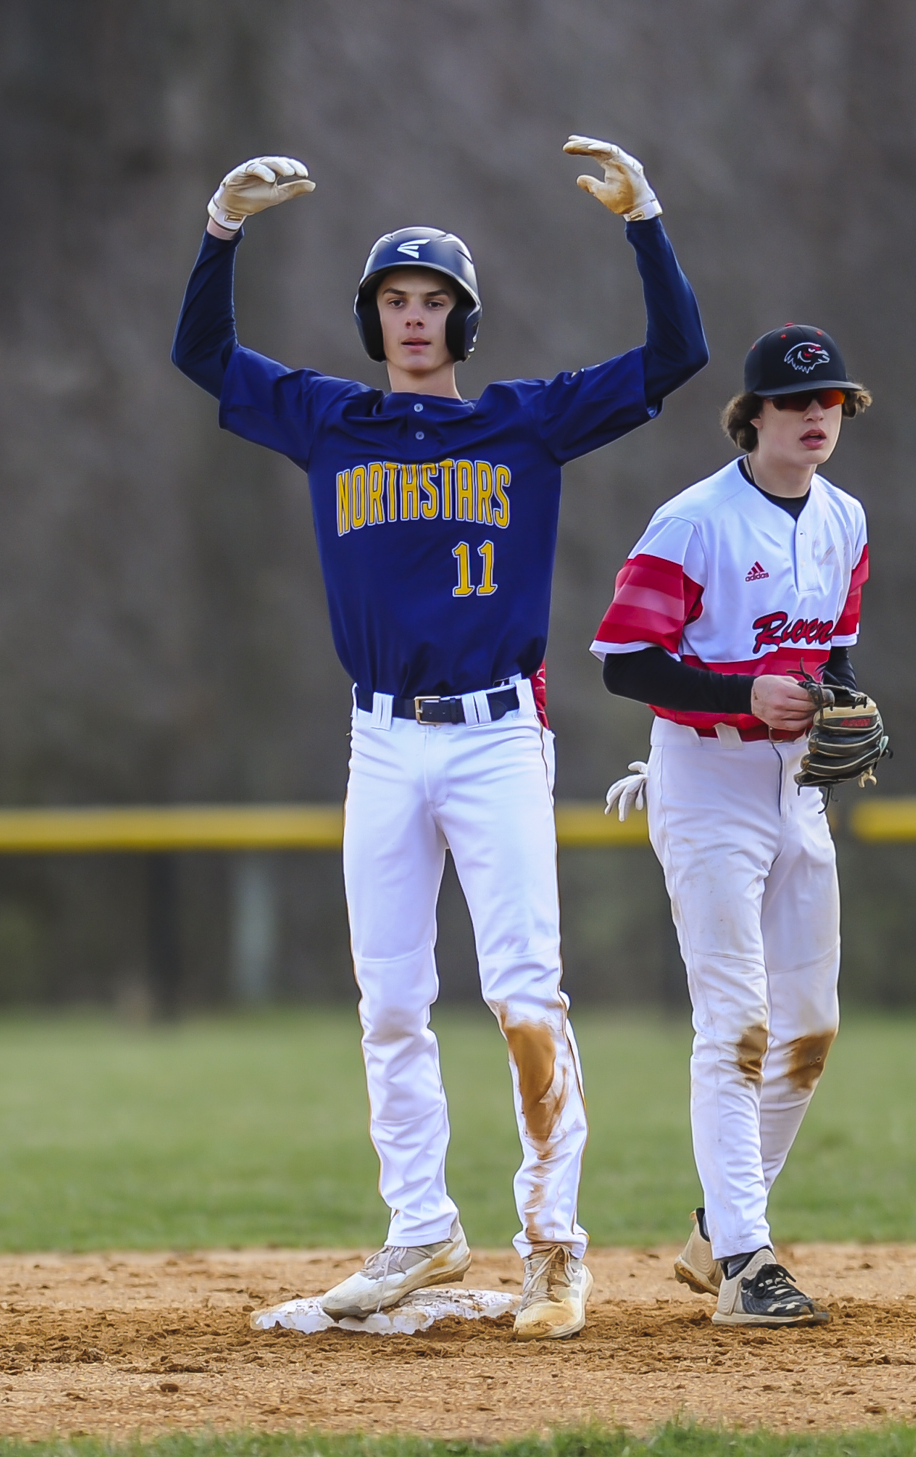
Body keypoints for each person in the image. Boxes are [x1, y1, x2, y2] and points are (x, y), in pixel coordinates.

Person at [171, 142, 708, 1340]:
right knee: (389, 1002)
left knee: (523, 992)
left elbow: (675, 358)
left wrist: (646, 224)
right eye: (394, 303)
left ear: (466, 321)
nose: (414, 320)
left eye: (434, 304)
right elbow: (200, 356)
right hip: (380, 743)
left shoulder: (522, 423)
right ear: (372, 321)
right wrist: (219, 233)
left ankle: (554, 1243)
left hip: (494, 737)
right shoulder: (329, 419)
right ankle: (419, 1227)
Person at [589, 325, 873, 1327]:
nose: (813, 417)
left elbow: (831, 654)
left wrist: (840, 703)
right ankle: (749, 1263)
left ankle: (717, 1224)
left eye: (829, 402)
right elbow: (623, 658)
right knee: (736, 1025)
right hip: (706, 783)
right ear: (749, 415)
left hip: (794, 787)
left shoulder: (843, 519)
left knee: (808, 1031)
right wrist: (741, 694)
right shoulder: (692, 521)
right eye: (794, 402)